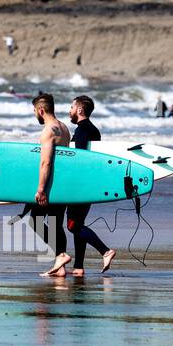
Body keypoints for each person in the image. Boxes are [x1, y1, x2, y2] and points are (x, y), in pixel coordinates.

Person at [65, 95, 115, 276]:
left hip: (80, 184)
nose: (69, 111)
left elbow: (79, 158)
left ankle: (105, 251)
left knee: (73, 225)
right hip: (90, 183)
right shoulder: (93, 129)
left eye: (71, 107)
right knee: (78, 223)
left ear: (79, 110)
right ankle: (78, 267)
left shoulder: (82, 130)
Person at [27, 92, 72, 276]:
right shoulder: (64, 128)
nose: (35, 115)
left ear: (41, 109)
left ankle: (61, 255)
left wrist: (41, 189)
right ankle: (60, 267)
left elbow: (46, 162)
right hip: (63, 184)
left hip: (51, 184)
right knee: (55, 224)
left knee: (35, 221)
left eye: (34, 111)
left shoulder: (48, 131)